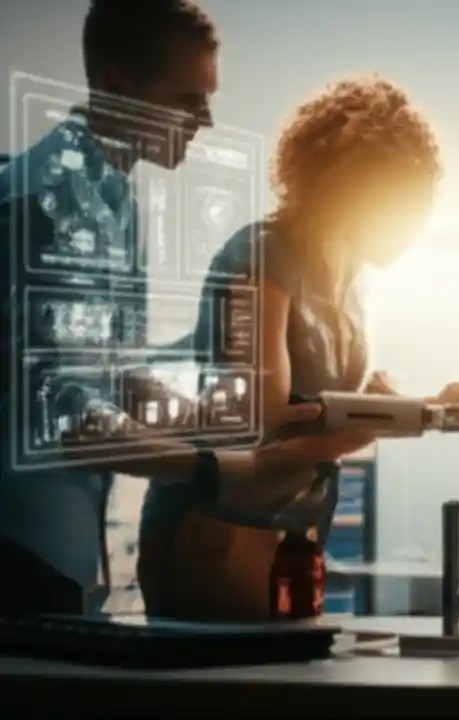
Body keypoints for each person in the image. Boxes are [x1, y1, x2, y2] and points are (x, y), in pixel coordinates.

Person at [0, 0, 370, 618]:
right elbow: (67, 420)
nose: (206, 119)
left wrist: (215, 426)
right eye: (187, 99)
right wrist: (216, 470)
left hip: (59, 550)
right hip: (19, 548)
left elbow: (114, 378)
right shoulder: (49, 204)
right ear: (118, 88)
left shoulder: (111, 197)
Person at [137, 75, 459, 620]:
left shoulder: (352, 276)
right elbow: (263, 425)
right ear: (347, 196)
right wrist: (386, 418)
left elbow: (329, 414)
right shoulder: (261, 258)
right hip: (223, 519)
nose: (413, 226)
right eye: (399, 209)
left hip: (293, 521)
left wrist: (431, 406)